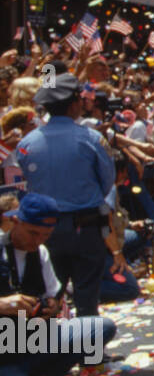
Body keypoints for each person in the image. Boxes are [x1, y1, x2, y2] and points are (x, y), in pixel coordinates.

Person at [0, 193, 117, 376]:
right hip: (3, 357)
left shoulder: (40, 253)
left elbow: (53, 298)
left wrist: (51, 308)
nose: (38, 241)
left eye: (45, 236)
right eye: (33, 233)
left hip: (28, 341)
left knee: (100, 328)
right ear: (16, 222)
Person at [15, 74, 123, 317]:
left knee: (49, 295)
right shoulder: (92, 139)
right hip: (85, 226)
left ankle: (50, 351)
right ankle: (91, 351)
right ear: (75, 103)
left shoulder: (25, 144)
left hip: (44, 229)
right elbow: (106, 182)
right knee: (87, 293)